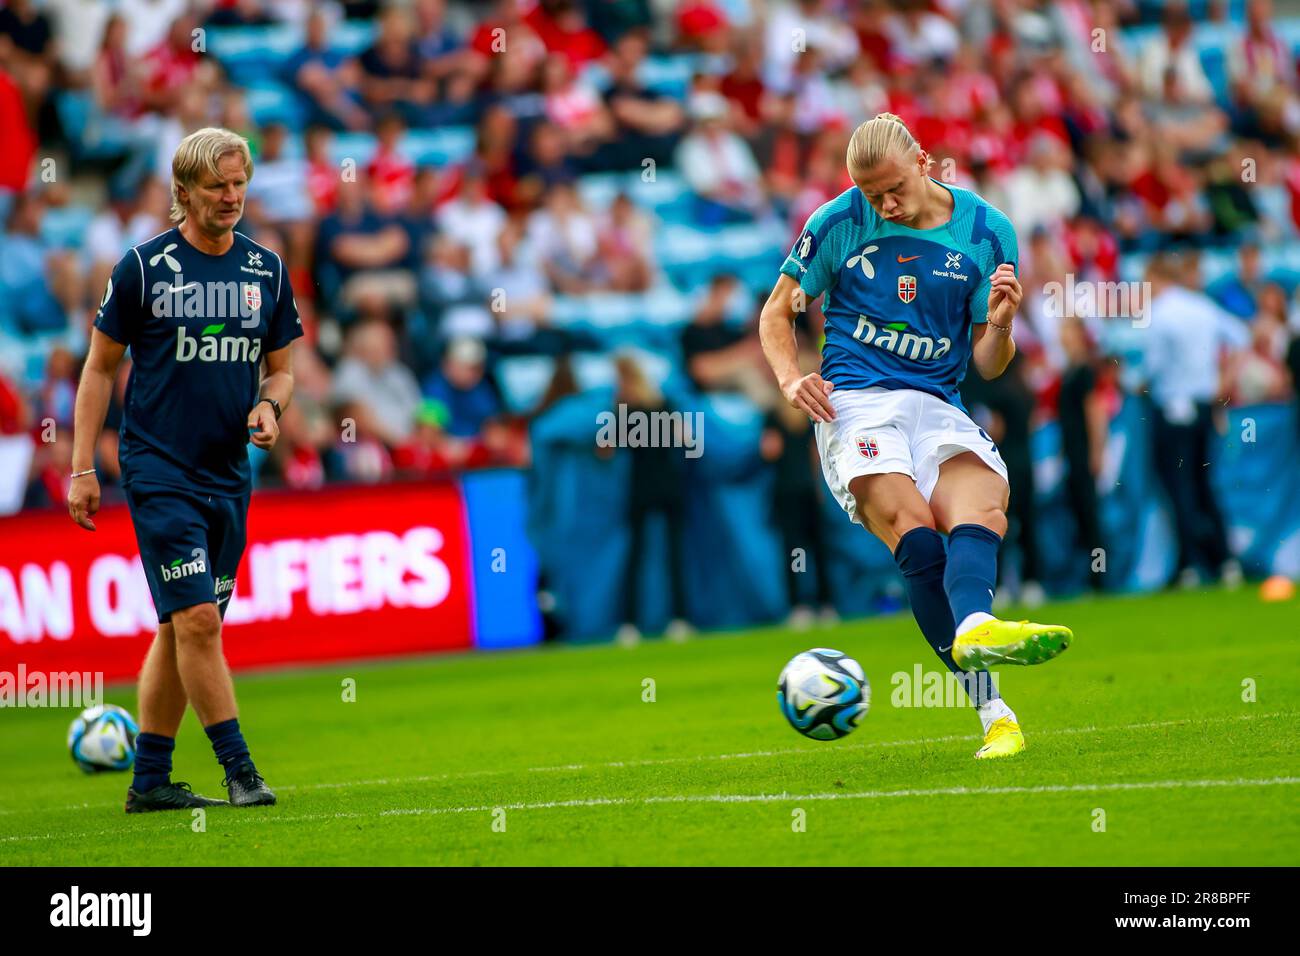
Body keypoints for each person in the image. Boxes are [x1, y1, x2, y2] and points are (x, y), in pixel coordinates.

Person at [758, 113, 1073, 760]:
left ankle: (978, 624)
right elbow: (777, 311)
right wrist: (790, 379)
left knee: (982, 505)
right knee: (917, 532)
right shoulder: (838, 223)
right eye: (872, 195)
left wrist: (1003, 325)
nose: (885, 205)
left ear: (924, 162)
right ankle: (996, 712)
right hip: (856, 403)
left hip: (937, 401)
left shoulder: (987, 231)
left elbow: (990, 363)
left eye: (893, 189)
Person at [68, 127, 301, 812]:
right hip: (158, 468)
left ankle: (149, 782)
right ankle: (241, 770)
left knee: (180, 627)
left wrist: (270, 406)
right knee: (199, 620)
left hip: (229, 474)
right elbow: (99, 368)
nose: (232, 198)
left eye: (239, 185)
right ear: (184, 191)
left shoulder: (266, 270)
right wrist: (83, 467)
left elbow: (283, 370)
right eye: (217, 187)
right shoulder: (142, 269)